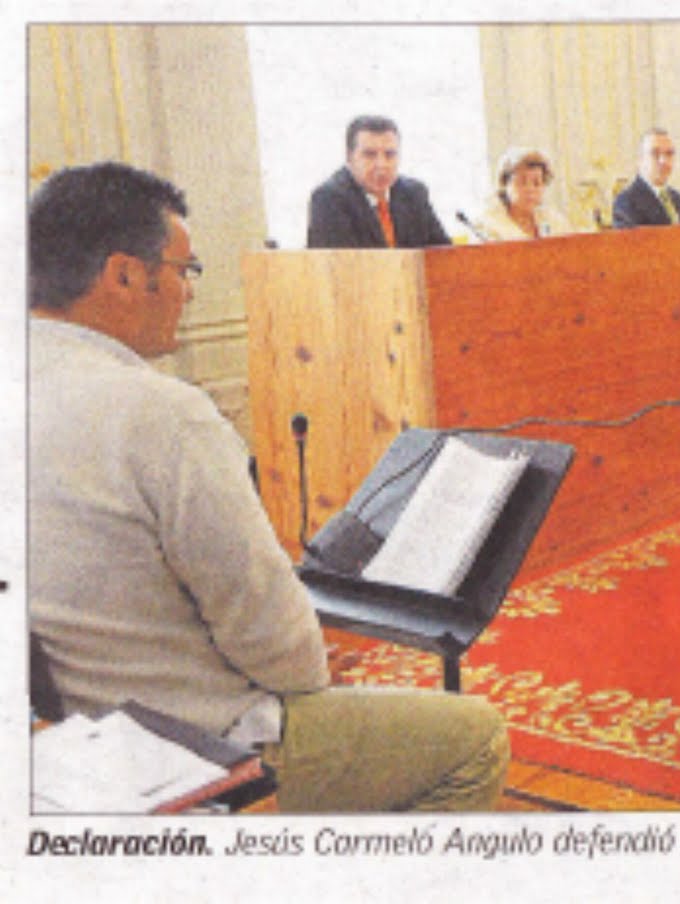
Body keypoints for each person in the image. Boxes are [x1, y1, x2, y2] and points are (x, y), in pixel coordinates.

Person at [28, 162, 510, 812]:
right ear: (123, 274)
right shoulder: (161, 413)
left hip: (65, 739)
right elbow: (285, 654)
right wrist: (312, 663)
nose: (190, 293)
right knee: (475, 738)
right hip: (198, 744)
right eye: (184, 270)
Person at [307, 114, 451, 249]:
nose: (381, 165)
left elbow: (443, 255)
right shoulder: (329, 199)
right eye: (370, 155)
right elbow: (338, 267)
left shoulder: (414, 194)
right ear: (349, 157)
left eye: (390, 155)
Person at [475, 147, 574, 241]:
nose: (530, 189)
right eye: (522, 182)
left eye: (537, 183)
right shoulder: (488, 226)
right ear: (504, 185)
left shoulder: (555, 221)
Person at [612, 127, 680, 228]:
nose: (663, 161)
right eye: (655, 154)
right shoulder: (626, 201)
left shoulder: (677, 198)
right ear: (640, 160)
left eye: (669, 154)